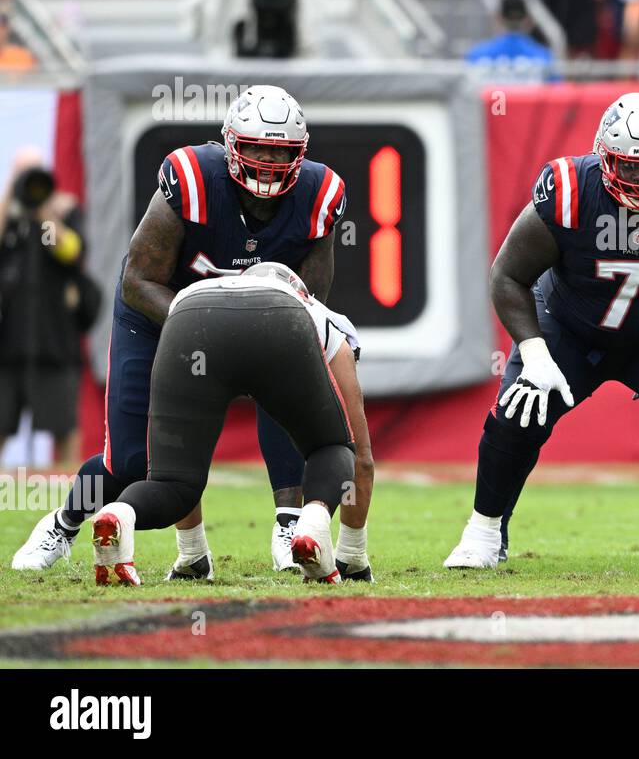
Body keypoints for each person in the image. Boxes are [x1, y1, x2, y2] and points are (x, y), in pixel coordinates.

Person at [11, 86, 365, 581]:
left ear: (299, 154)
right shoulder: (193, 179)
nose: (267, 162)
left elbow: (306, 304)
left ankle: (289, 526)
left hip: (258, 321)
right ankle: (63, 522)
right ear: (231, 144)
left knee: (292, 392)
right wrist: (197, 326)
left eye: (280, 152)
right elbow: (138, 282)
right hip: (159, 316)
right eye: (257, 148)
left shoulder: (318, 195)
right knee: (132, 464)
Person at [443, 93, 639, 570]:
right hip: (570, 327)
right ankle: (484, 532)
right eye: (628, 165)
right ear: (603, 155)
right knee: (518, 412)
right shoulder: (570, 191)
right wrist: (536, 355)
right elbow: (507, 276)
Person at [88, 262, 372, 585]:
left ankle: (122, 515)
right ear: (303, 293)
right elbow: (361, 457)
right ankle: (313, 525)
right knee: (333, 446)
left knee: (172, 481)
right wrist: (353, 554)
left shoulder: (200, 291)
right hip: (279, 321)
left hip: (189, 317)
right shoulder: (312, 310)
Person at [0, 154, 90, 466]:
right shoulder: (7, 216)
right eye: (22, 176)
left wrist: (43, 212)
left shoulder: (60, 213)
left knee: (63, 427)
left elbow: (70, 252)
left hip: (54, 342)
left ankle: (70, 490)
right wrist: (9, 199)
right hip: (7, 345)